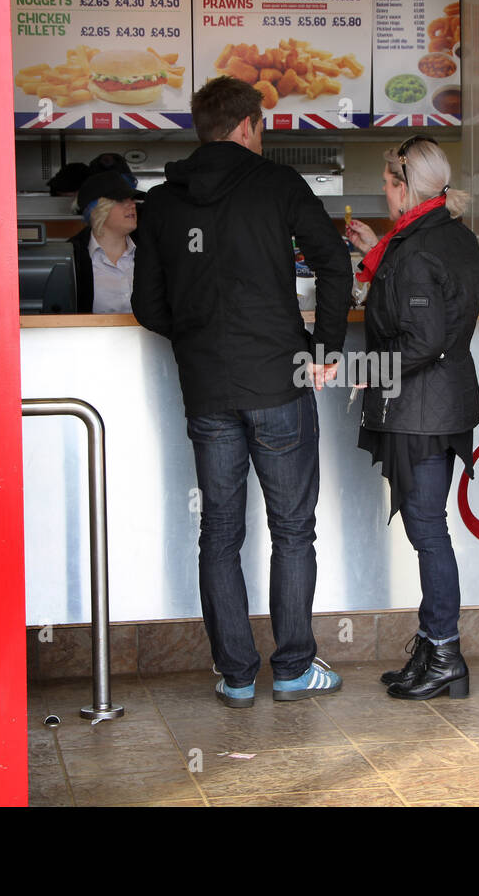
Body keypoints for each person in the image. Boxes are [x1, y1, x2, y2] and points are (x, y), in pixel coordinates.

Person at [132, 76, 353, 707]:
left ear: (201, 128)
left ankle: (234, 675)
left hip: (207, 388)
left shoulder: (163, 203)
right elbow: (334, 265)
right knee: (291, 528)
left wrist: (200, 335)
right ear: (251, 125)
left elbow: (149, 304)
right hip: (279, 380)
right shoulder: (278, 185)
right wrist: (325, 347)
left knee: (220, 532)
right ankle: (292, 668)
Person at [345, 136, 479, 700]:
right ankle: (432, 645)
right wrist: (381, 246)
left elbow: (423, 338)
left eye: (387, 181)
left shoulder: (419, 249)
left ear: (406, 187)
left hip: (422, 409)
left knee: (428, 531)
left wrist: (370, 368)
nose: (382, 189)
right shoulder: (448, 236)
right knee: (429, 529)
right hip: (439, 405)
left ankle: (445, 653)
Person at [66, 170, 144, 314]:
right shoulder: (72, 258)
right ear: (98, 209)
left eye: (132, 199)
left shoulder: (151, 252)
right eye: (121, 200)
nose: (132, 205)